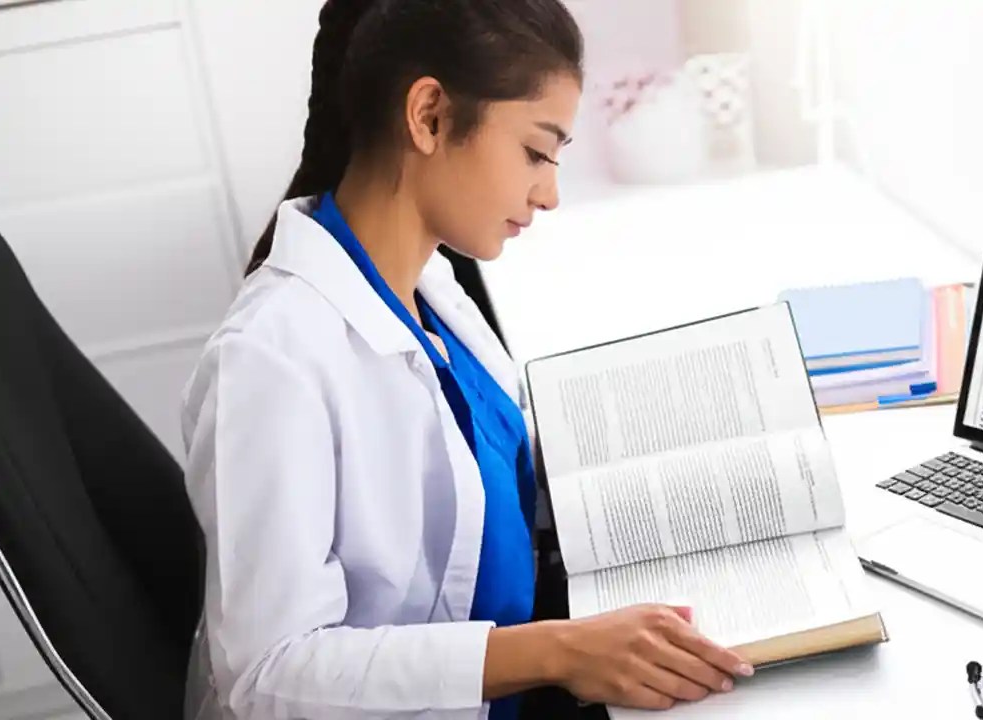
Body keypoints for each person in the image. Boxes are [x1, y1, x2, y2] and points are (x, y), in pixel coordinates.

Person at [179, 1, 752, 718]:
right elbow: (267, 675)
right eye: (536, 152)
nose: (548, 193)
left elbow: (490, 479)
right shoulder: (271, 361)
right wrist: (560, 652)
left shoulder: (427, 287)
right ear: (429, 116)